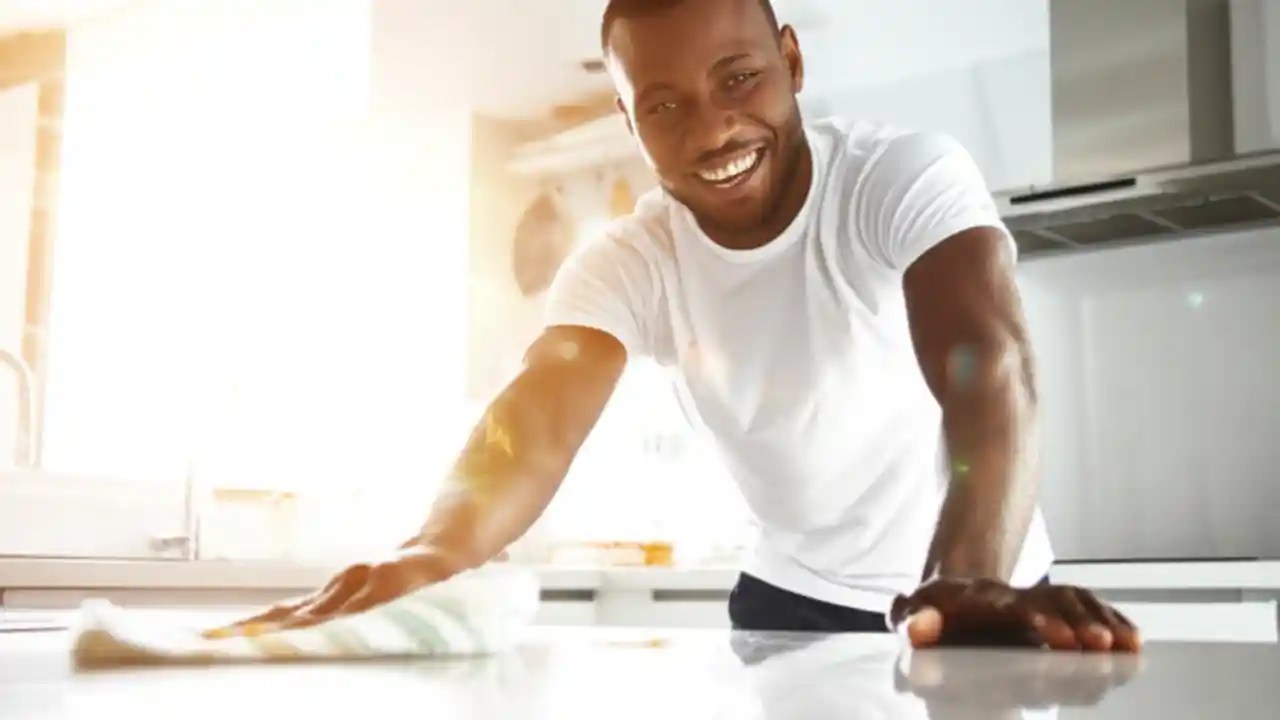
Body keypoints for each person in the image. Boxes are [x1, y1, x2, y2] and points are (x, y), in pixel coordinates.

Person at [217, 0, 1139, 652]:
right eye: (664, 106)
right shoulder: (628, 261)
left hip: (976, 585)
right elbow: (535, 421)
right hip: (790, 604)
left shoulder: (900, 177)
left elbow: (989, 371)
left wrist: (967, 576)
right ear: (627, 116)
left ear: (792, 61)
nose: (713, 130)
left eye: (738, 78)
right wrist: (432, 550)